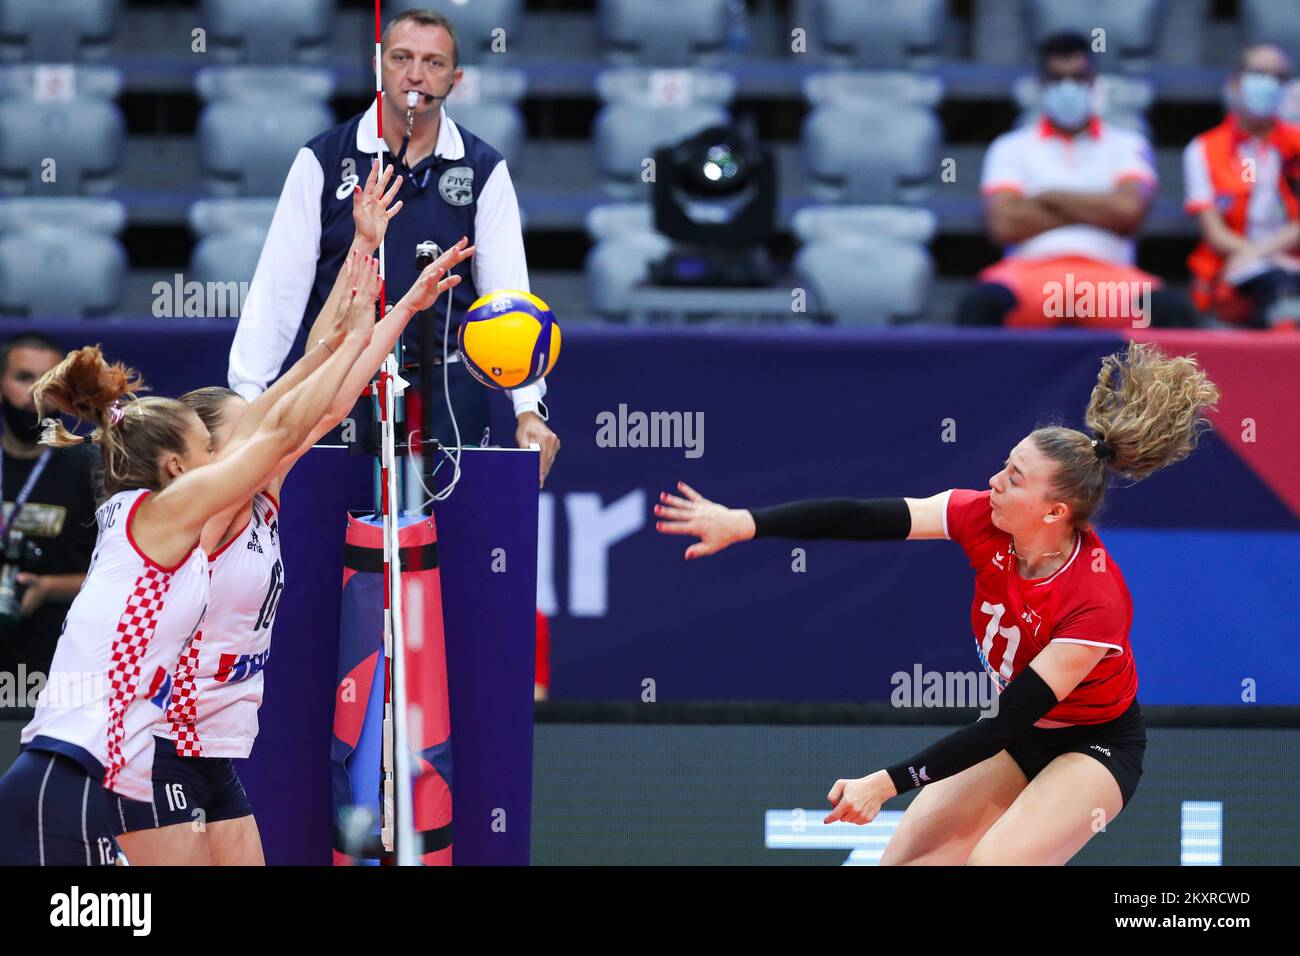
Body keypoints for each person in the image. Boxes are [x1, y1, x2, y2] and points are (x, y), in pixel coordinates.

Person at [655, 341, 1221, 865]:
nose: (994, 481)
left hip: (1093, 745)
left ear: (1054, 513)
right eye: (1005, 465)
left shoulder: (1095, 601)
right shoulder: (984, 519)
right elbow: (863, 517)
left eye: (1015, 479)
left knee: (992, 864)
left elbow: (1006, 719)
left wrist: (886, 782)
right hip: (1021, 736)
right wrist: (746, 523)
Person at [113, 169, 471, 866]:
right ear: (202, 458)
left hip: (212, 755)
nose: (271, 427)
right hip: (156, 749)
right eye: (248, 428)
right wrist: (369, 287)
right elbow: (313, 382)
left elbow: (324, 379)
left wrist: (381, 275)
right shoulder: (197, 517)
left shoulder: (258, 492)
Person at [0, 254, 383, 866]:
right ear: (177, 467)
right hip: (72, 771)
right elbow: (278, 430)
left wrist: (355, 333)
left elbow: (284, 424)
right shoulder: (166, 517)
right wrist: (352, 336)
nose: (225, 457)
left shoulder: (177, 522)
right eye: (212, 447)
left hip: (113, 770)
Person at [227, 6, 559, 489]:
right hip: (337, 381)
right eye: (402, 57)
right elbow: (278, 291)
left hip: (450, 388)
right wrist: (247, 396)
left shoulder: (485, 168)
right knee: (331, 546)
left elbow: (510, 301)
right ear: (379, 63)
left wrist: (528, 408)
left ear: (456, 78)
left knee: (451, 553)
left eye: (434, 62)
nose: (416, 73)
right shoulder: (322, 160)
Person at [958, 32, 1193, 329]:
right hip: (1028, 276)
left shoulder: (1128, 144)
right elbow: (1003, 224)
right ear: (1040, 85)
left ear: (1094, 83)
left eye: (1078, 78)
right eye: (1057, 79)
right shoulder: (1009, 146)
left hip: (1109, 279)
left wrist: (1048, 195)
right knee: (980, 305)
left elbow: (1128, 212)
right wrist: (1098, 209)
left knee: (1171, 311)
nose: (1068, 88)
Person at [0, 334, 98, 682]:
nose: (37, 394)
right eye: (24, 378)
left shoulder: (94, 469)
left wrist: (48, 587)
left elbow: (124, 576)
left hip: (62, 667)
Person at [1184, 43, 1300, 329]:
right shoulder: (1203, 149)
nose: (1268, 84)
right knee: (1281, 293)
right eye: (1259, 74)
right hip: (1233, 267)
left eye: (1278, 77)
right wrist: (1261, 257)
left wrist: (1264, 253)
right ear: (1235, 83)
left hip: (1289, 262)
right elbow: (1215, 234)